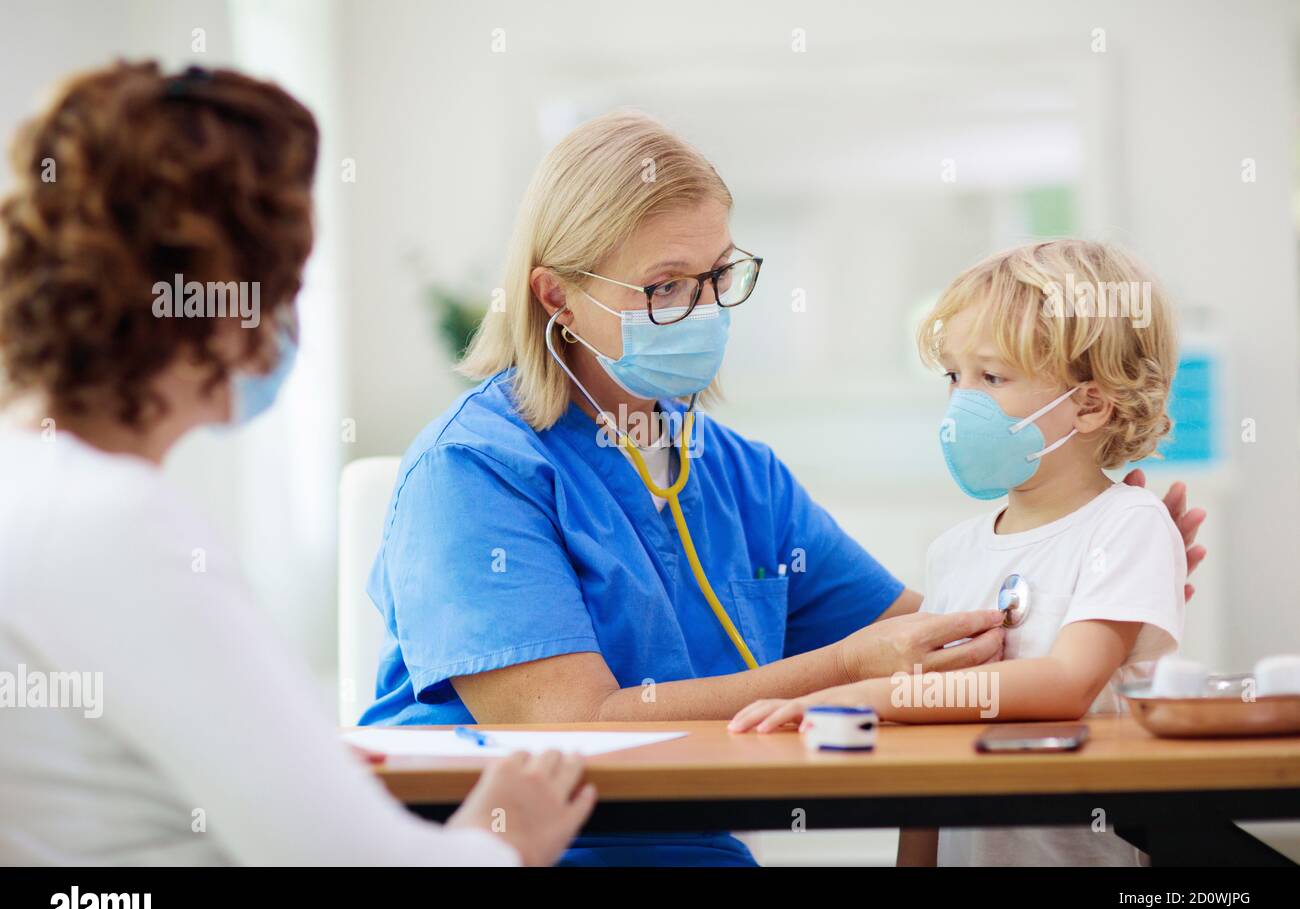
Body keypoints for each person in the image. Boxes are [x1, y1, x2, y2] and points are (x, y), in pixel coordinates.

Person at [361, 110, 1206, 867]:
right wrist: (841, 669)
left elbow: (923, 635)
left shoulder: (737, 473)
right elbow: (562, 727)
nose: (702, 309)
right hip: (510, 847)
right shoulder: (476, 470)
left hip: (695, 845)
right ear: (559, 298)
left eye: (717, 277)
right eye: (664, 287)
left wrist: (1080, 584)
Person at [0, 61, 593, 866]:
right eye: (283, 283)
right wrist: (505, 836)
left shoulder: (30, 483)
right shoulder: (117, 524)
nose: (285, 321)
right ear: (212, 297)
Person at [729, 240, 1187, 867]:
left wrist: (870, 694)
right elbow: (930, 767)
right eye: (954, 376)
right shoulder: (956, 552)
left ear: (1089, 403)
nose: (960, 402)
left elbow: (1065, 684)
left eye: (992, 377)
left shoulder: (1130, 525)